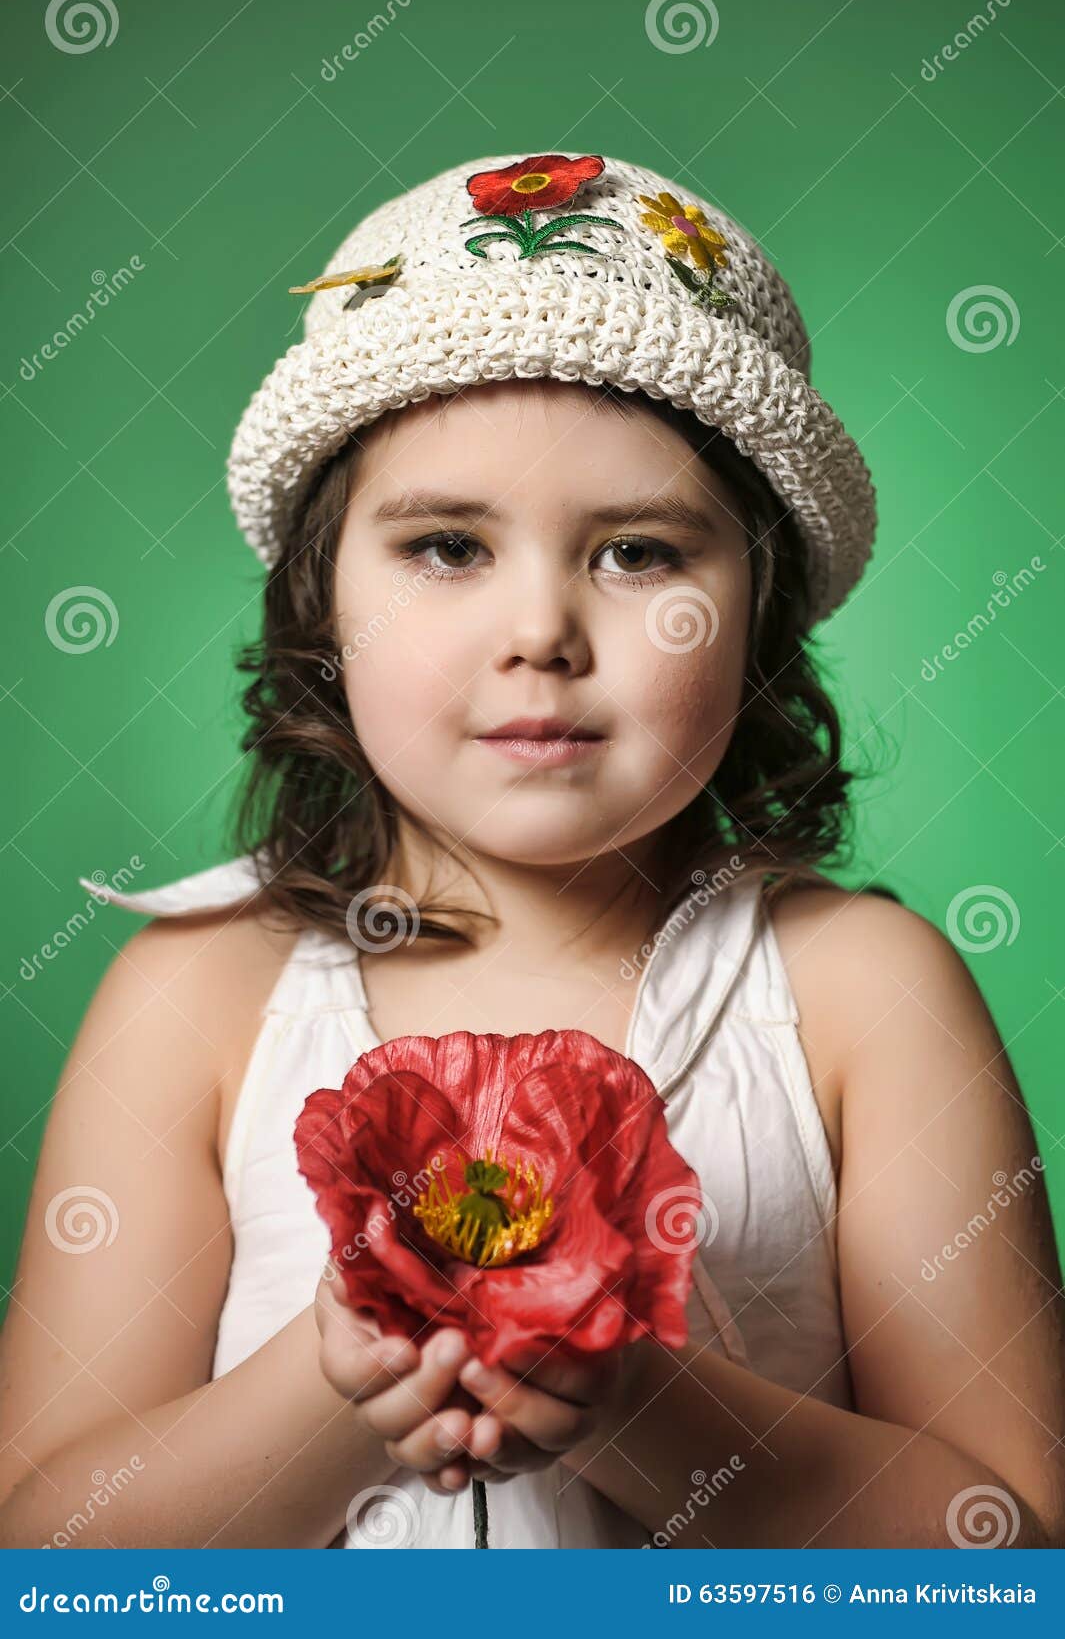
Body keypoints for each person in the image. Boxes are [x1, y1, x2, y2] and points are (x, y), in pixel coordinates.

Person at [1, 154, 1061, 1551]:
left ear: (759, 613)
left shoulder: (862, 991)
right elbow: (46, 1548)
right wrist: (352, 1378)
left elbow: (1011, 1534)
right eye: (446, 546)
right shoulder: (192, 990)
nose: (541, 633)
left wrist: (635, 1397)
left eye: (637, 554)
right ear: (322, 599)